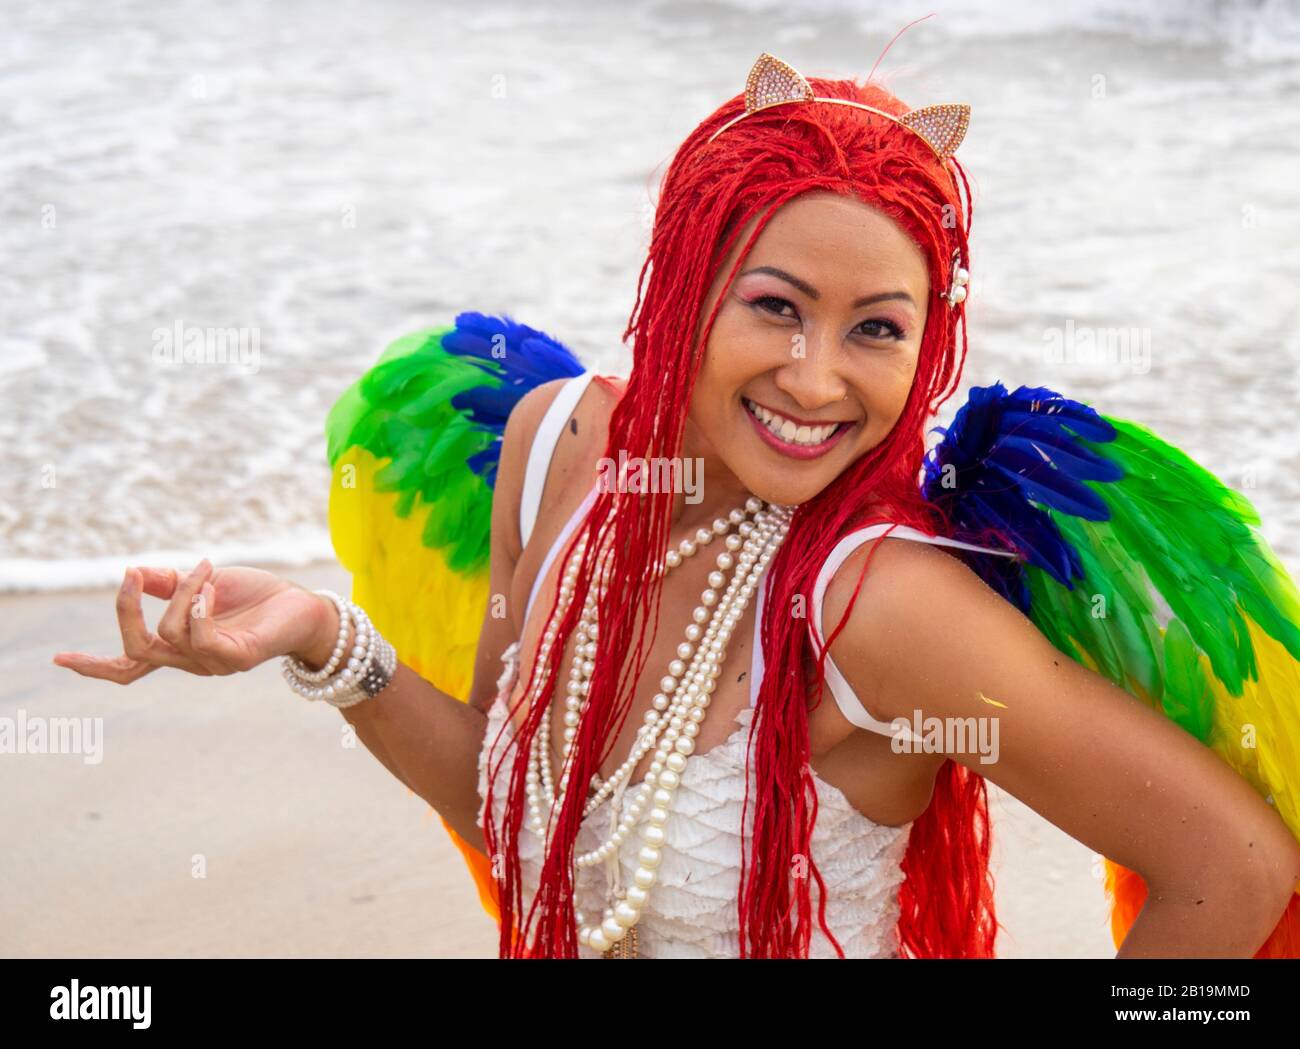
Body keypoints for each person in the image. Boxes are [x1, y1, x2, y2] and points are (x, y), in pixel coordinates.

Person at [54, 53, 1300, 960]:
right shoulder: (551, 450)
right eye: (774, 304)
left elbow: (1232, 869)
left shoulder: (883, 604)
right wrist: (321, 638)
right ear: (684, 283)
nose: (816, 377)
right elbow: (504, 799)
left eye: (876, 330)